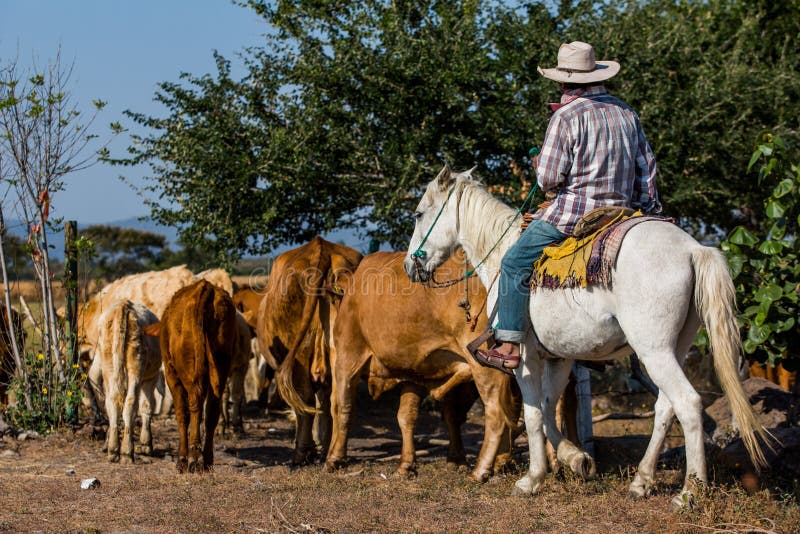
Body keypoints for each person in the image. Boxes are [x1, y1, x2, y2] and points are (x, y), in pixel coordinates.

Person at [475, 41, 661, 374]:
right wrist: (648, 210)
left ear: (562, 82)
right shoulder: (626, 112)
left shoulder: (565, 116)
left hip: (575, 216)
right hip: (622, 214)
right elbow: (646, 167)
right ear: (596, 75)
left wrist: (538, 166)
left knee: (514, 262)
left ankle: (507, 345)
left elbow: (548, 179)